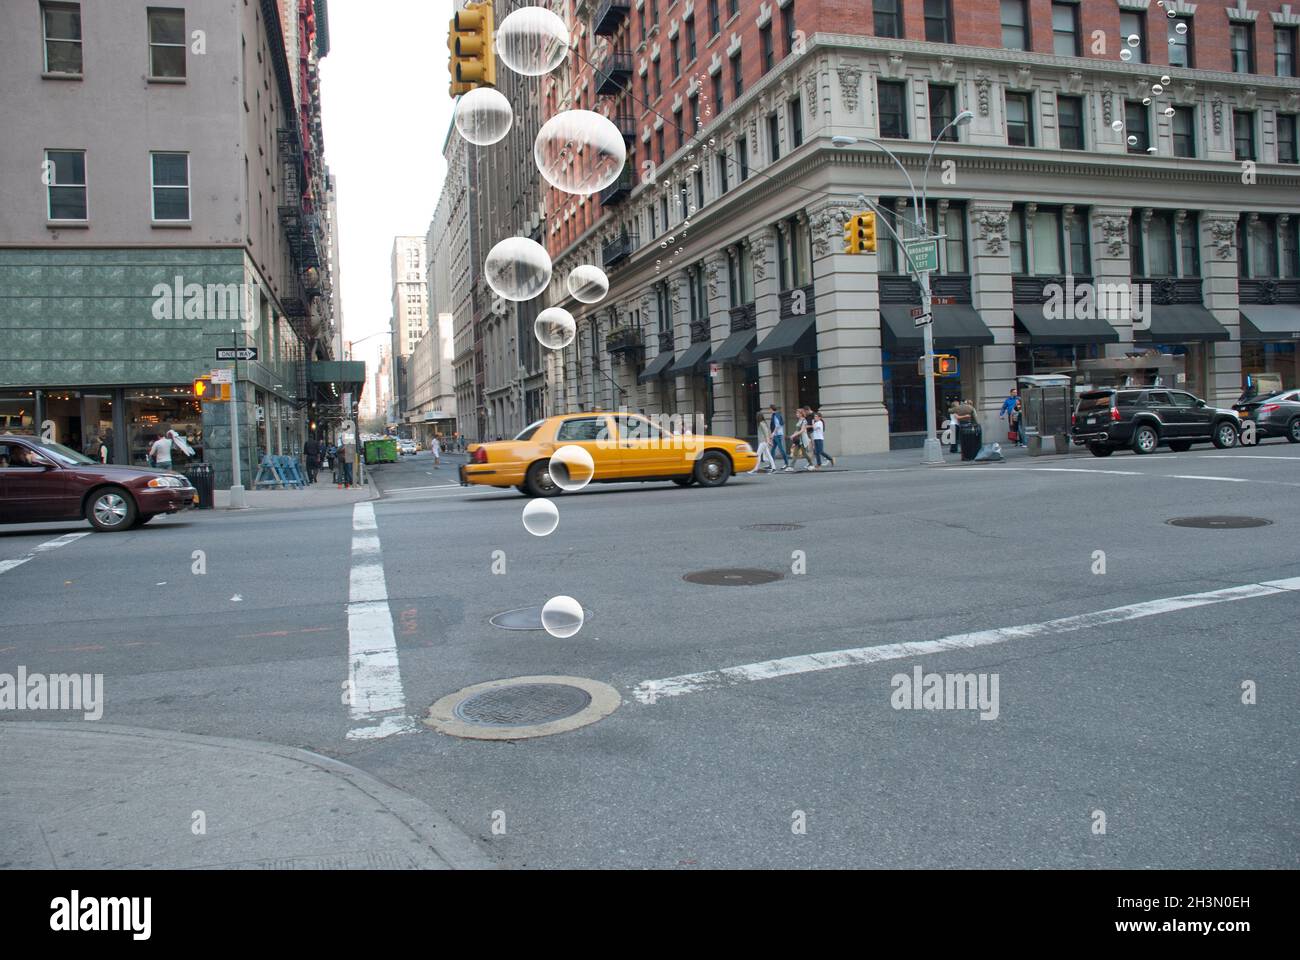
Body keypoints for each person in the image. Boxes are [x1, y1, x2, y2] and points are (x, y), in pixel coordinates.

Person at [768, 404, 791, 471]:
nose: (769, 410)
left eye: (769, 409)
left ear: (771, 409)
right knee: (773, 449)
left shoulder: (775, 415)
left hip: (777, 434)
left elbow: (777, 426)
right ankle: (772, 464)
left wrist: (773, 434)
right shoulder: (777, 414)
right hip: (777, 434)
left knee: (781, 449)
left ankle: (786, 463)